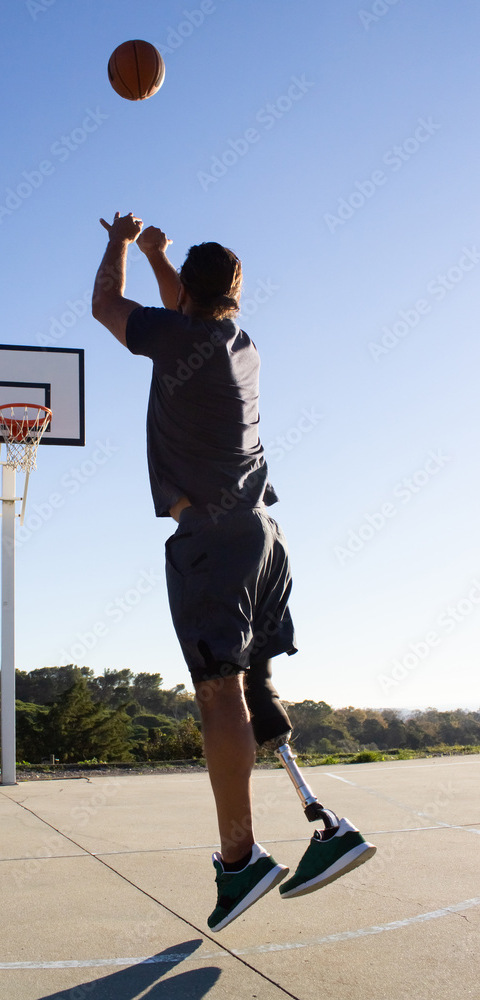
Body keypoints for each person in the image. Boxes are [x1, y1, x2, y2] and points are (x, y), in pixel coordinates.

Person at [92, 212, 376, 932]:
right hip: (262, 536)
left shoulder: (180, 336)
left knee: (217, 695)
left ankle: (240, 858)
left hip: (211, 540)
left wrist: (120, 244)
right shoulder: (239, 344)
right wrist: (163, 258)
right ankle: (326, 823)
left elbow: (108, 309)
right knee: (251, 685)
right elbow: (182, 307)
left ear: (187, 292)